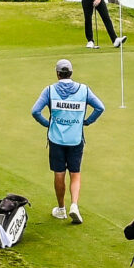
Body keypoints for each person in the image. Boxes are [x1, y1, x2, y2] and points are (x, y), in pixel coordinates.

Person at [32, 57, 105, 223]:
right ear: (71, 73)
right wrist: (86, 122)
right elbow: (100, 107)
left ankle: (61, 209)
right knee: (75, 173)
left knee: (59, 173)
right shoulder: (83, 90)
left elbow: (35, 111)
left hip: (56, 139)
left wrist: (48, 124)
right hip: (75, 139)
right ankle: (74, 205)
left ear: (58, 74)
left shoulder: (50, 90)